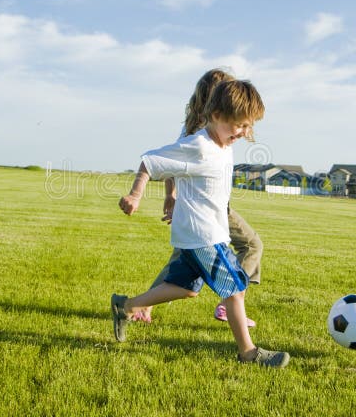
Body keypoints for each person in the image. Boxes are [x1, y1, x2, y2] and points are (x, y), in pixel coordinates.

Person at [112, 79, 289, 368]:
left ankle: (127, 305)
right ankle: (248, 353)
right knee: (233, 288)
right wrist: (135, 194)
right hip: (204, 236)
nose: (244, 133)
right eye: (239, 125)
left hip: (203, 233)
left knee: (187, 289)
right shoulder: (198, 145)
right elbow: (151, 161)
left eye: (248, 126)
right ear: (216, 115)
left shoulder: (222, 144)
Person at [131, 69, 264, 327]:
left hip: (204, 208)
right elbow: (169, 161)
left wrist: (171, 196)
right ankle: (231, 303)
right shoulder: (204, 135)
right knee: (251, 245)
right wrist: (168, 195)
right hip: (206, 211)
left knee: (184, 264)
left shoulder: (208, 128)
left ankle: (141, 305)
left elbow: (173, 163)